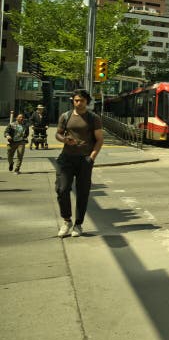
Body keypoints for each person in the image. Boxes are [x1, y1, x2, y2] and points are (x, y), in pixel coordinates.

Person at [55, 89, 104, 238]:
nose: (78, 103)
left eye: (81, 100)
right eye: (76, 100)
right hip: (66, 158)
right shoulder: (65, 116)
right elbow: (58, 133)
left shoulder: (93, 118)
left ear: (86, 102)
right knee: (62, 190)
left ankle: (78, 224)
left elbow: (99, 139)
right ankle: (67, 220)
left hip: (84, 160)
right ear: (73, 101)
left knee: (82, 193)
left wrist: (92, 157)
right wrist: (64, 140)